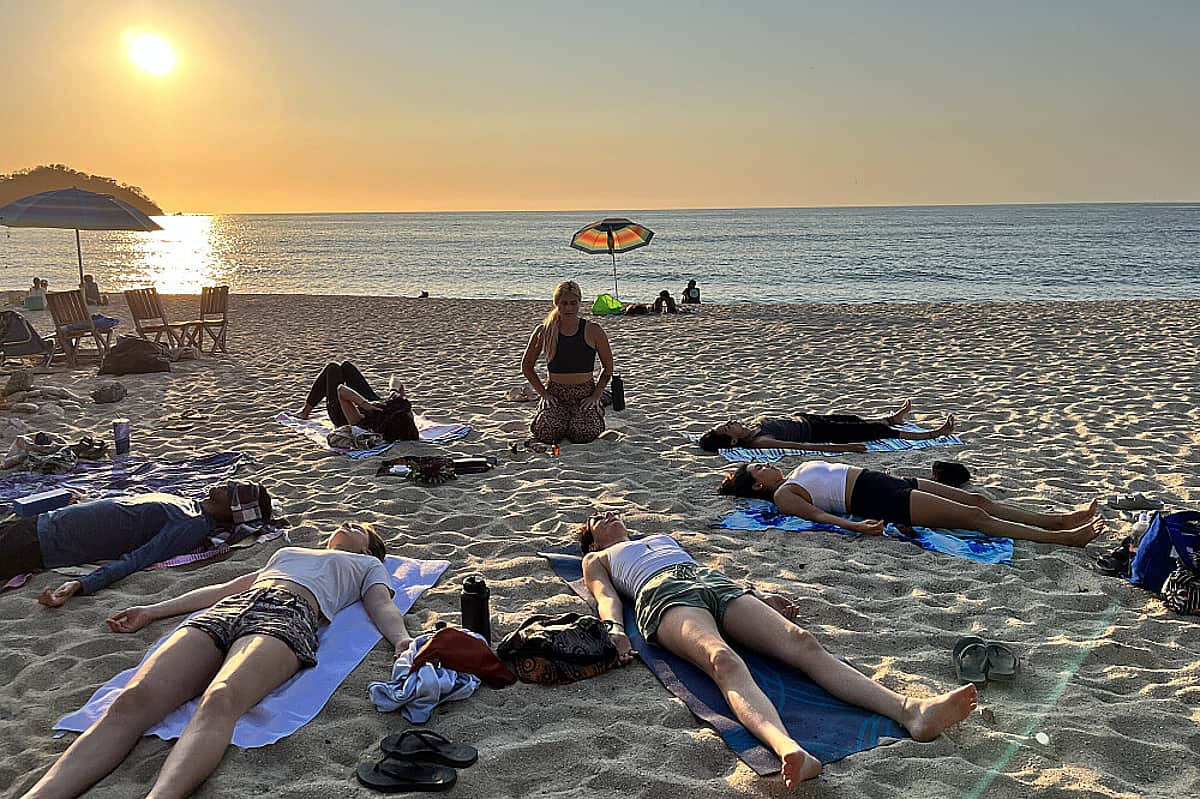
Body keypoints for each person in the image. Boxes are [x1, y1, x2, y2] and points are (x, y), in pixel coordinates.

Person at [578, 511, 977, 786]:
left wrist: (759, 595)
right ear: (591, 537)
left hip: (714, 584)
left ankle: (912, 711)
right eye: (597, 517)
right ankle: (791, 750)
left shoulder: (661, 537)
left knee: (802, 642)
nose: (608, 515)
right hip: (664, 595)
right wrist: (615, 629)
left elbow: (709, 569)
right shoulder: (597, 557)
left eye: (611, 511)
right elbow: (605, 596)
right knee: (722, 660)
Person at [18, 521, 413, 799]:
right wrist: (153, 610)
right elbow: (225, 587)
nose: (348, 523)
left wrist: (401, 640)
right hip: (229, 609)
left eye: (361, 528)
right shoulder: (289, 552)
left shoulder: (367, 565)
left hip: (288, 614)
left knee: (221, 698)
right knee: (131, 700)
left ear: (368, 549)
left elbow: (382, 605)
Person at [0, 483, 272, 607]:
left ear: (233, 510)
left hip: (45, 541)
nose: (225, 486)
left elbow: (140, 558)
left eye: (232, 491)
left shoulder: (192, 526)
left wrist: (81, 584)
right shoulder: (190, 504)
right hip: (45, 521)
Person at [719, 462, 1104, 546]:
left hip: (885, 481)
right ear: (757, 484)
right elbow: (819, 515)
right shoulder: (785, 494)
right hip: (876, 498)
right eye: (761, 468)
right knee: (974, 517)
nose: (769, 465)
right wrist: (859, 526)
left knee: (976, 499)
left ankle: (1056, 520)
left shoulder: (793, 474)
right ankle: (1063, 539)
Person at [521, 280, 614, 444]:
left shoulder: (593, 330)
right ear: (556, 303)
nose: (569, 308)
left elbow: (608, 369)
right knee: (546, 433)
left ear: (580, 303)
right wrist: (544, 394)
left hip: (584, 394)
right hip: (556, 394)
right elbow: (527, 366)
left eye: (573, 303)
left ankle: (601, 403)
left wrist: (596, 395)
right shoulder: (544, 330)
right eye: (564, 303)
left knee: (582, 434)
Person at [698, 400, 954, 453]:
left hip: (809, 418)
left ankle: (891, 418)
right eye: (728, 428)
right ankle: (932, 434)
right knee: (872, 432)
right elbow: (800, 445)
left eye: (727, 422)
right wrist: (847, 448)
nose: (731, 423)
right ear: (733, 441)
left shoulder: (752, 426)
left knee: (854, 419)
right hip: (818, 432)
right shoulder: (759, 441)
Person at [297, 361, 418, 442]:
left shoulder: (364, 424)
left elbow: (341, 390)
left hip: (342, 411)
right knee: (346, 366)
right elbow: (396, 379)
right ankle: (305, 411)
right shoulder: (403, 413)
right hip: (374, 402)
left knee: (332, 368)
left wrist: (366, 405)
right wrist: (394, 390)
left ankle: (305, 412)